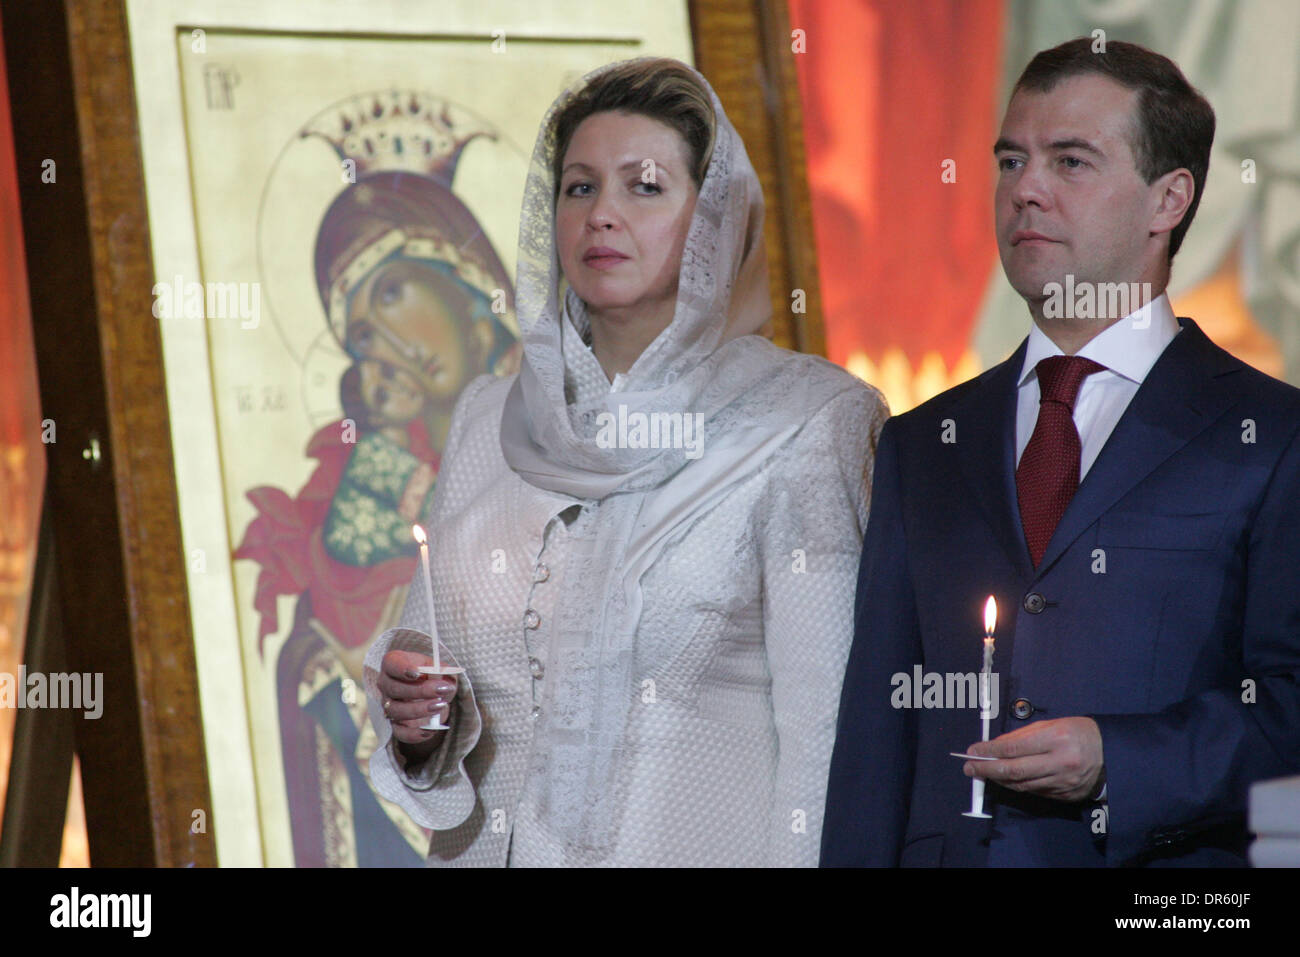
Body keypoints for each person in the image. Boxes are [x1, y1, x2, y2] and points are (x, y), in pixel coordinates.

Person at [363, 56, 887, 866]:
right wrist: (417, 716)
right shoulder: (485, 420)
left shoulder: (806, 420)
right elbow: (430, 665)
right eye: (580, 187)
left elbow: (829, 736)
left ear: (715, 217)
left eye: (644, 186)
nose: (603, 213)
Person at [822, 37, 1300, 867]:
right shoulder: (920, 443)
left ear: (1170, 199)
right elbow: (875, 739)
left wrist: (1121, 756)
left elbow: (1290, 710)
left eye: (1070, 162)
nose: (1025, 191)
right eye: (1011, 160)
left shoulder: (1270, 435)